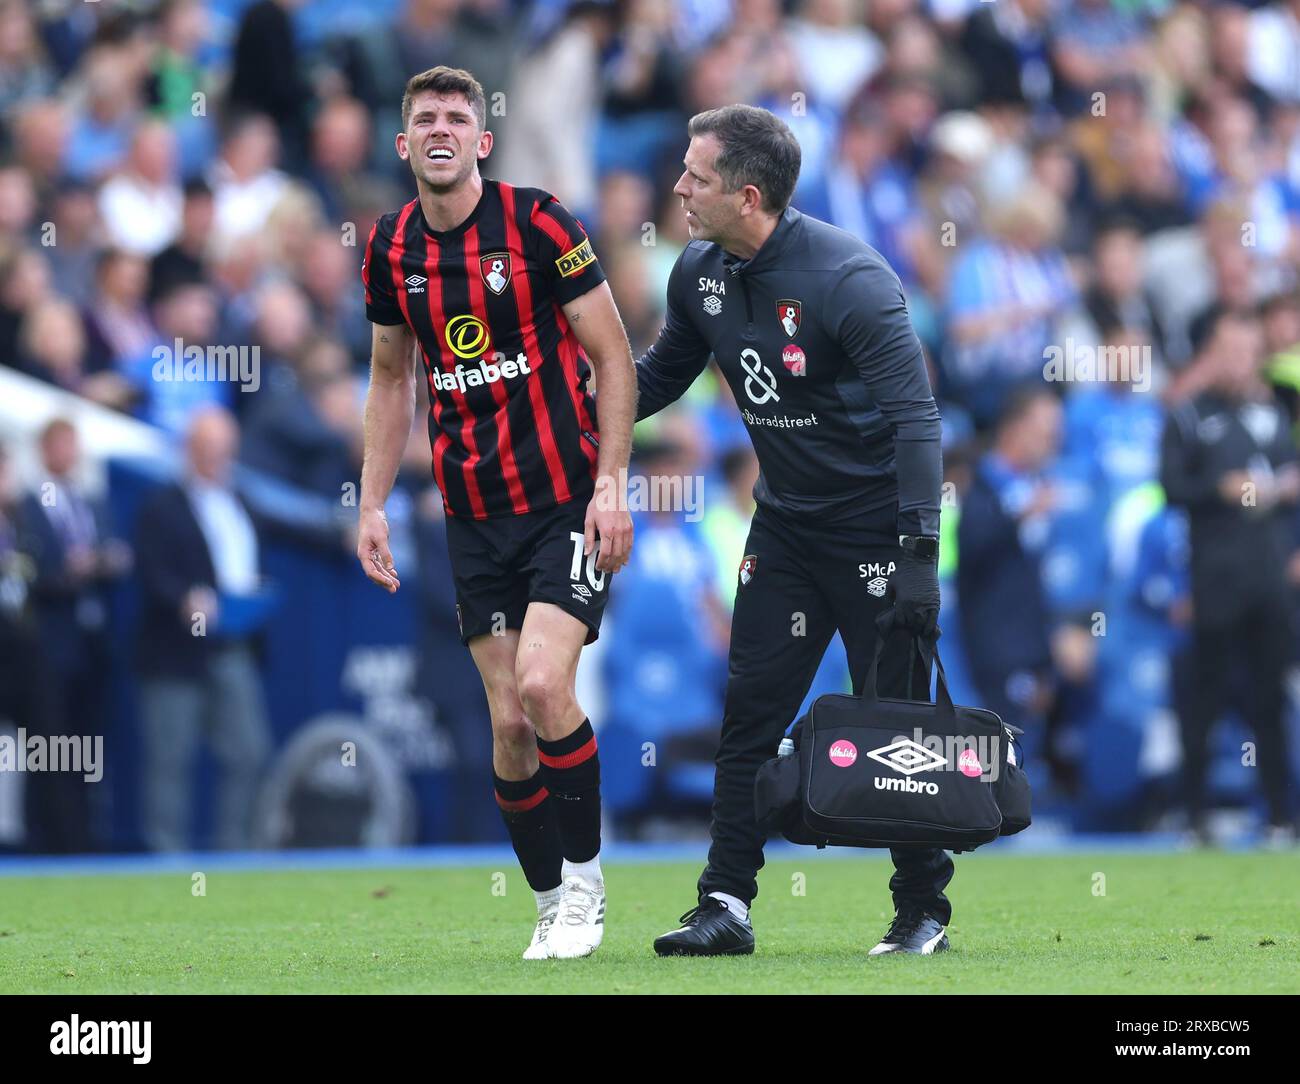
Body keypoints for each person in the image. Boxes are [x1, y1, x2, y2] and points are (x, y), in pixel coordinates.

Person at [636, 105, 948, 958]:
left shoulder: (850, 278)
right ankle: (724, 902)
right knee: (749, 714)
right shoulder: (698, 271)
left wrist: (919, 556)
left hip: (875, 536)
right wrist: (571, 412)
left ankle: (921, 911)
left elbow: (918, 421)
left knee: (898, 728)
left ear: (747, 193)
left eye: (695, 177)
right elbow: (660, 375)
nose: (678, 190)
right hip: (785, 528)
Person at [355, 67, 636, 960]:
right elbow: (391, 378)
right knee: (511, 724)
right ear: (405, 147)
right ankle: (550, 900)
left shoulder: (540, 222)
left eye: (457, 118)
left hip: (562, 500)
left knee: (548, 687)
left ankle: (588, 893)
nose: (441, 129)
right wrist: (370, 502)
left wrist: (613, 481)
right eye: (424, 119)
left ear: (482, 141)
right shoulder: (391, 250)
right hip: (472, 516)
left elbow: (615, 355)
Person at [1160, 309, 1300, 845]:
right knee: (1206, 698)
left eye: (1250, 352)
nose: (1242, 363)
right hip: (1215, 580)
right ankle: (1196, 816)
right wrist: (1220, 486)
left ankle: (1280, 816)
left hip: (1271, 580)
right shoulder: (1190, 415)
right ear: (1212, 355)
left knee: (1270, 700)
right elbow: (1171, 485)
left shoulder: (1273, 413)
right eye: (1231, 351)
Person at [134, 407, 273, 852]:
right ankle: (166, 857)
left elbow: (273, 540)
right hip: (176, 654)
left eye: (223, 450)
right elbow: (151, 572)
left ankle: (235, 853)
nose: (216, 458)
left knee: (249, 751)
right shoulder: (160, 507)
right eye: (207, 449)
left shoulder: (241, 499)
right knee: (170, 759)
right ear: (188, 450)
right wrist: (184, 599)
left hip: (231, 645)